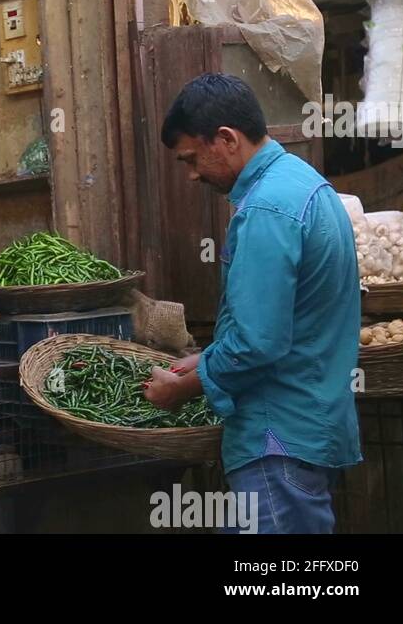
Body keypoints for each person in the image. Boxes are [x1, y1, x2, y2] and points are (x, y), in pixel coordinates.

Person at [144, 73, 362, 534]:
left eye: (191, 158)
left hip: (276, 436)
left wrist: (185, 386)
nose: (192, 173)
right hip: (305, 427)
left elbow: (256, 343)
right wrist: (207, 358)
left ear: (225, 138)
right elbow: (289, 321)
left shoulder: (267, 209)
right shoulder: (305, 184)